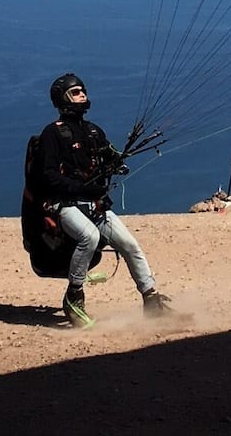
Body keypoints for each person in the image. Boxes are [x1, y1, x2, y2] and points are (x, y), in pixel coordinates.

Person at [29, 72, 174, 329]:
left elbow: (109, 156)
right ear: (62, 99)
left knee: (130, 245)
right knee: (89, 237)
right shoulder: (53, 133)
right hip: (65, 206)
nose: (82, 94)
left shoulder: (94, 131)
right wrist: (82, 190)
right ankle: (74, 297)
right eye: (75, 92)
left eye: (82, 90)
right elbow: (47, 175)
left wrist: (116, 163)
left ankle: (151, 300)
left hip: (95, 207)